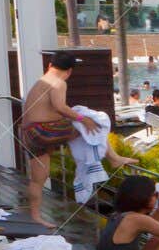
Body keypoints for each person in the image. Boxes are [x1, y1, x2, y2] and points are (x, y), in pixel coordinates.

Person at [21, 54, 129, 226]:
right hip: (44, 130)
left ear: (50, 65)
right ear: (70, 71)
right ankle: (112, 158)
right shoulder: (58, 82)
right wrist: (82, 119)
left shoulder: (42, 80)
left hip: (28, 131)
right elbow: (60, 107)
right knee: (93, 125)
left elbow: (51, 109)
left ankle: (35, 216)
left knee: (38, 178)